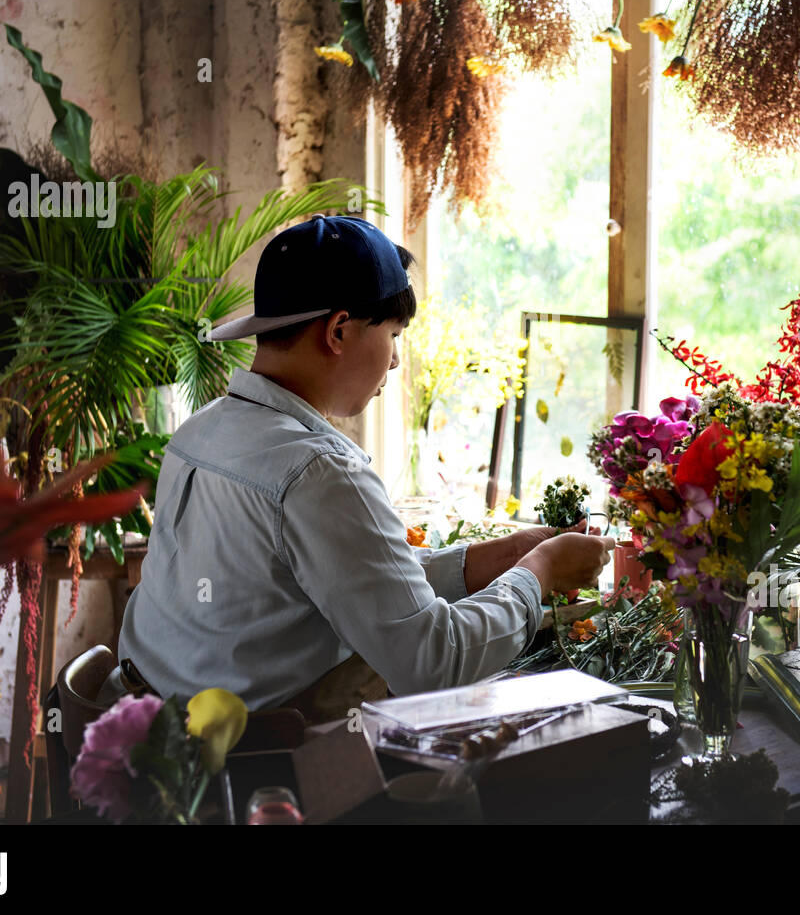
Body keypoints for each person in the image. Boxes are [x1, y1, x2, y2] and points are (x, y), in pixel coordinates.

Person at [112, 214, 611, 719]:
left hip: (147, 734)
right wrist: (538, 572)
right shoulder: (317, 471)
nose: (395, 362)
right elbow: (433, 660)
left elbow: (360, 577)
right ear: (339, 330)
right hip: (249, 773)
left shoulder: (199, 432)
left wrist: (500, 556)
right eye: (393, 334)